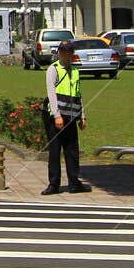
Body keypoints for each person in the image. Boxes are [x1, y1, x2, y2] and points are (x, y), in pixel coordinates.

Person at [43, 41, 90, 195]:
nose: (66, 54)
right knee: (55, 151)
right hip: (56, 117)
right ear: (59, 53)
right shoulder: (53, 69)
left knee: (72, 151)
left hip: (71, 116)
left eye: (69, 52)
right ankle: (54, 184)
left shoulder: (75, 70)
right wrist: (57, 115)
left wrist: (83, 116)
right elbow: (51, 94)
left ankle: (74, 182)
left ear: (72, 53)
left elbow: (78, 94)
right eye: (63, 51)